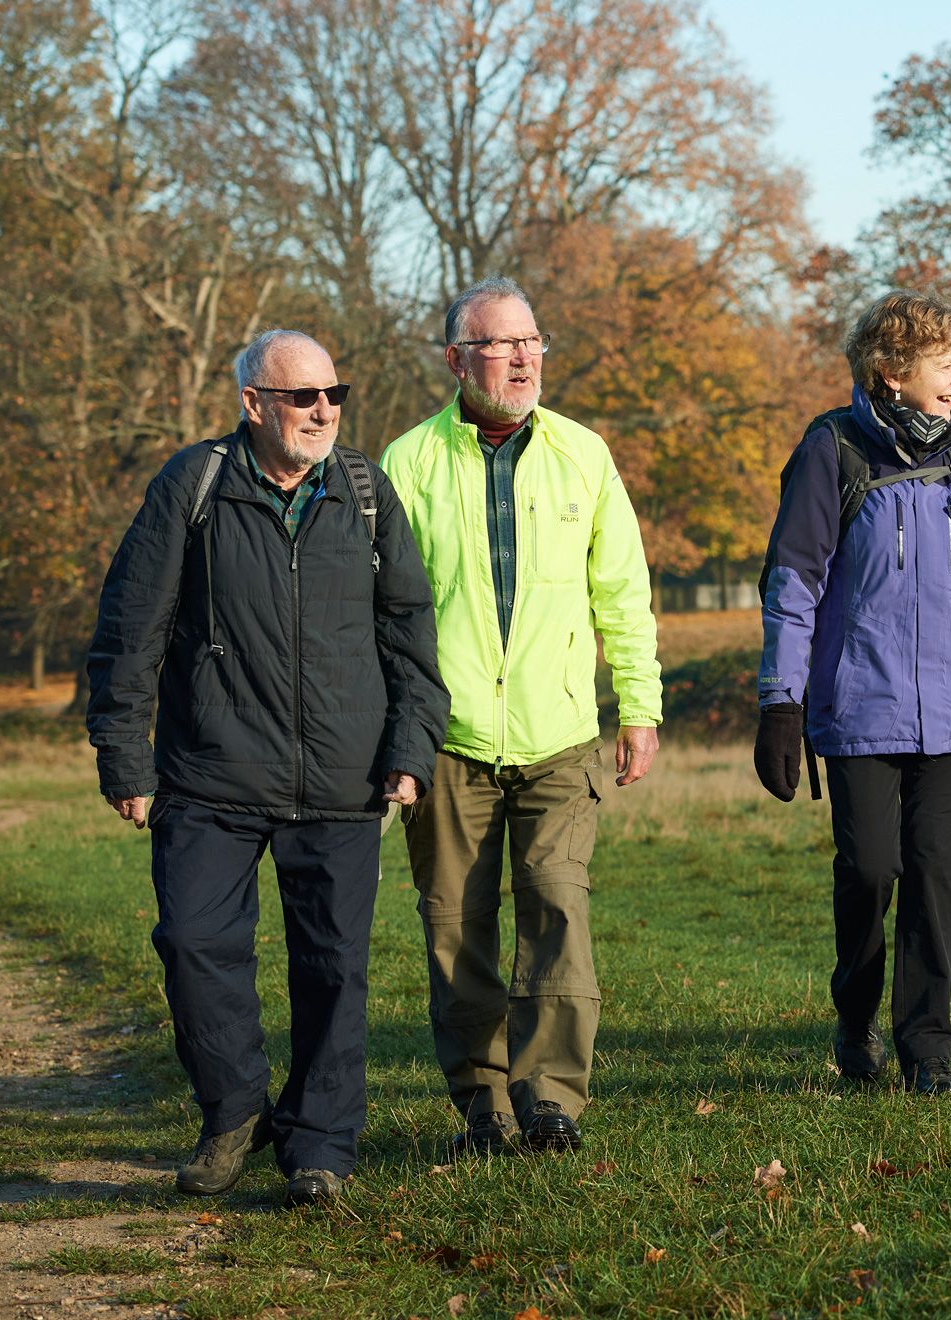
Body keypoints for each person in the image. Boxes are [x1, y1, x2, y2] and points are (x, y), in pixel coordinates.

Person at [85, 330, 446, 1206]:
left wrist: (409, 750)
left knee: (334, 967)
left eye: (334, 395)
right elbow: (132, 627)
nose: (324, 411)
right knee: (194, 945)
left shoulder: (363, 491)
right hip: (209, 775)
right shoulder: (195, 483)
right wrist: (123, 754)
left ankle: (321, 1147)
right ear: (254, 403)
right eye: (304, 397)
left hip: (342, 781)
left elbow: (410, 630)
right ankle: (233, 1112)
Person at [381, 277, 663, 1154]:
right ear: (458, 359)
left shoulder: (584, 453)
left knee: (557, 909)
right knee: (455, 927)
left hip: (560, 735)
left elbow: (622, 590)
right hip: (448, 740)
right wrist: (394, 737)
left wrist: (640, 704)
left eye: (532, 341)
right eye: (503, 344)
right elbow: (380, 613)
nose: (524, 357)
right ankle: (483, 1105)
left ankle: (552, 1102)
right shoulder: (406, 463)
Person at [755, 290, 951, 1095]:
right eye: (947, 366)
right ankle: (855, 1016)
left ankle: (928, 1048)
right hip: (861, 707)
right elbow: (793, 583)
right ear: (893, 372)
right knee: (871, 870)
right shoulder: (834, 449)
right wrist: (779, 701)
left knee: (933, 870)